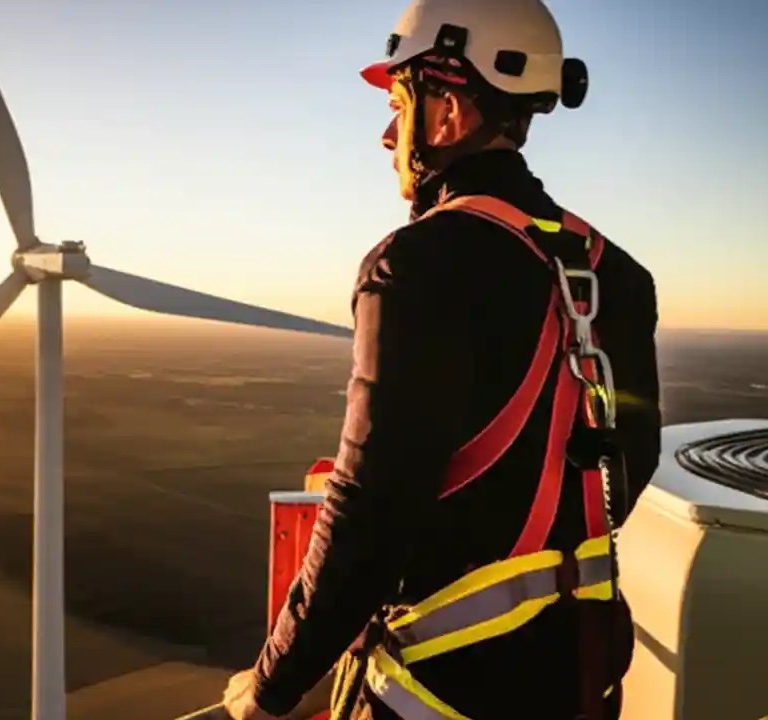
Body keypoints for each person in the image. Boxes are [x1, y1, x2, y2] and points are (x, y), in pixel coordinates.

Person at [221, 0, 662, 718]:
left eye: (401, 103)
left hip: (439, 691)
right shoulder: (616, 273)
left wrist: (272, 685)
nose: (389, 133)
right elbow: (625, 472)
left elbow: (369, 513)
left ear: (450, 113)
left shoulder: (413, 265)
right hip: (576, 677)